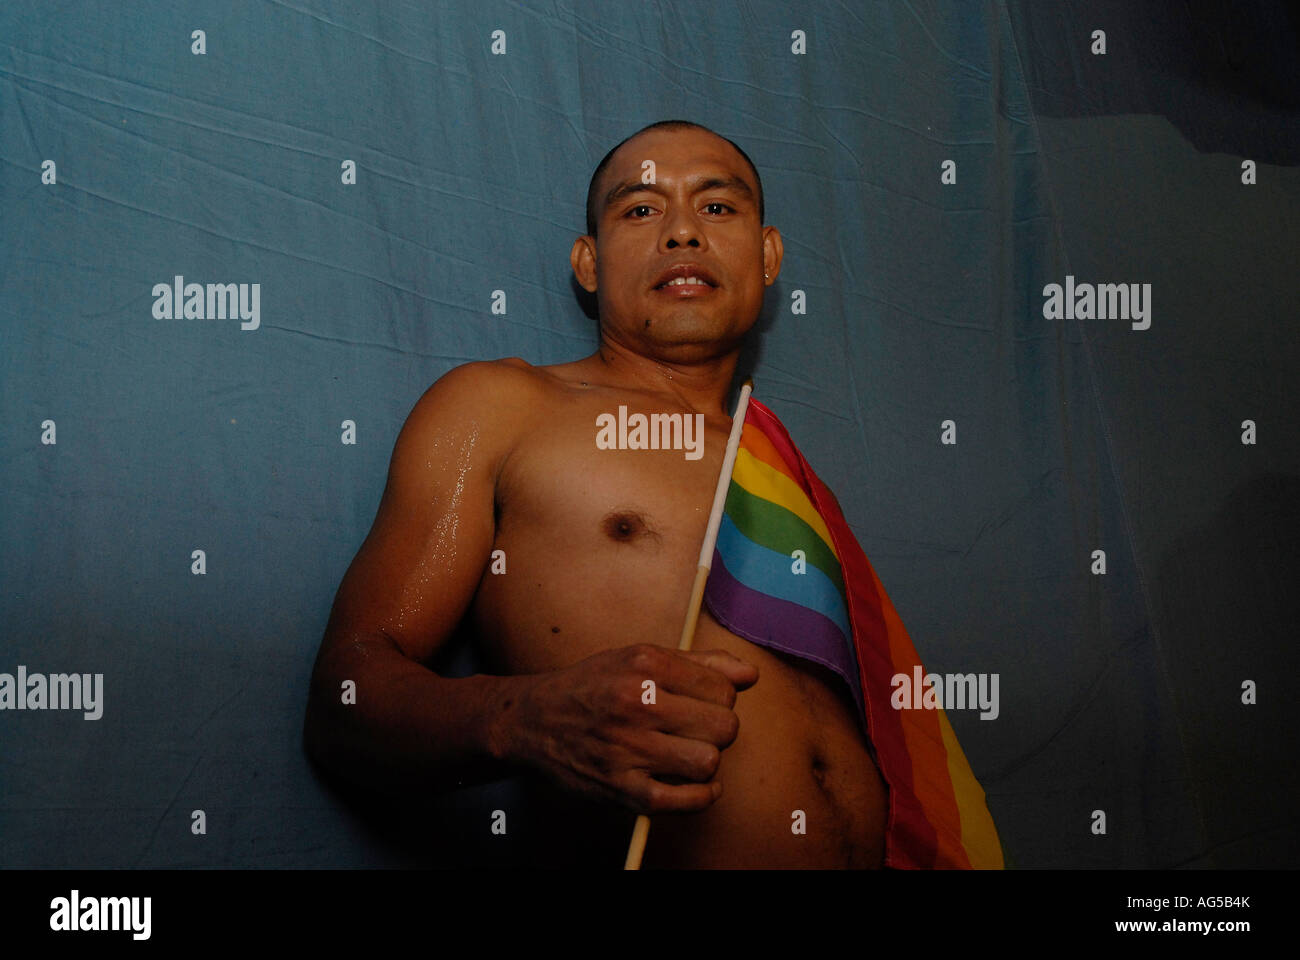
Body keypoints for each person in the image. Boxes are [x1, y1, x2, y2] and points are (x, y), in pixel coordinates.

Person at [303, 120, 889, 868]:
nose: (682, 233)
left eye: (717, 208)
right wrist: (527, 719)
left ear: (767, 255)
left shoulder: (786, 477)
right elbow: (341, 703)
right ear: (588, 263)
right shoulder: (503, 408)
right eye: (640, 209)